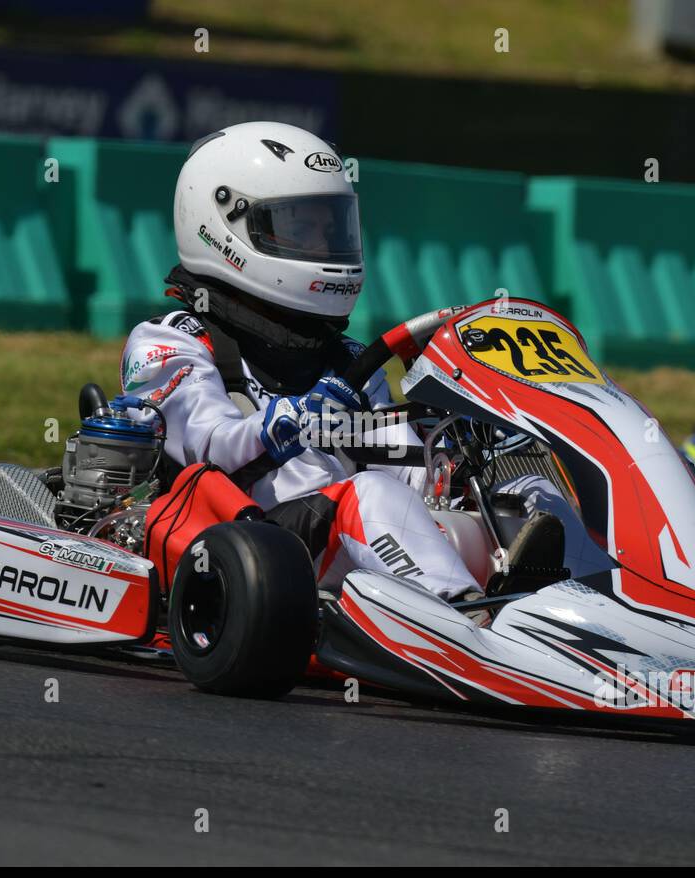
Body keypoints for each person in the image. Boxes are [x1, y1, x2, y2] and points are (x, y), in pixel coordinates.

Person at [119, 121, 569, 615]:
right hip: (241, 545)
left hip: (342, 545)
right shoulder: (171, 339)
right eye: (299, 228)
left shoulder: (347, 358)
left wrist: (453, 450)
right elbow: (210, 448)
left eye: (329, 228)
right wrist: (287, 421)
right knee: (369, 496)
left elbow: (404, 473)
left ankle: (596, 611)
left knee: (529, 493)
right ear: (227, 223)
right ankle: (468, 624)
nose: (322, 245)